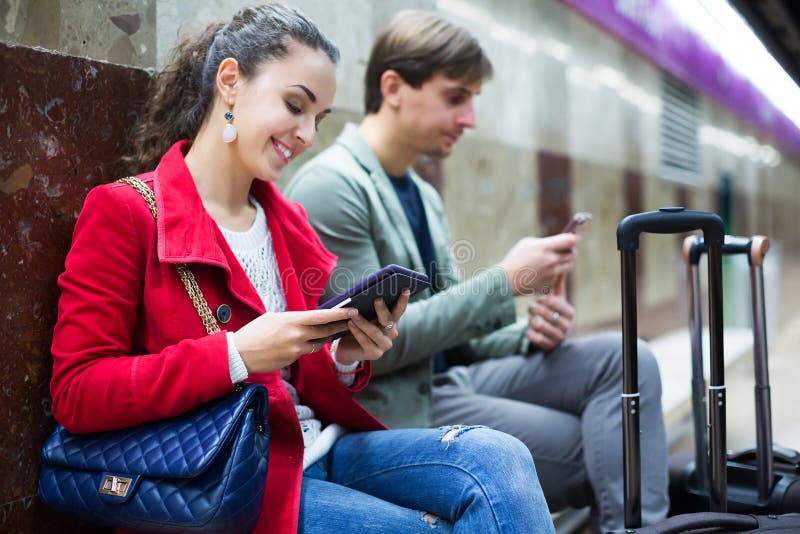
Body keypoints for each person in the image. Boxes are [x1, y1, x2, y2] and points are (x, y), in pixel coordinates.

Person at [48, 5, 555, 534]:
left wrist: (343, 354)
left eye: (320, 118)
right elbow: (77, 392)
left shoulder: (285, 220)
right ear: (230, 82)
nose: (308, 134)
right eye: (295, 105)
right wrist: (237, 354)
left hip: (320, 444)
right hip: (227, 475)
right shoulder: (126, 211)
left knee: (499, 457)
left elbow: (298, 369)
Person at [286, 9, 669, 532]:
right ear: (394, 87)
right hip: (398, 406)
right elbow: (371, 347)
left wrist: (524, 335)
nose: (470, 119)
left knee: (626, 358)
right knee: (610, 445)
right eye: (455, 97)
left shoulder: (421, 193)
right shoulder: (333, 187)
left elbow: (457, 340)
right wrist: (503, 281)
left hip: (448, 379)